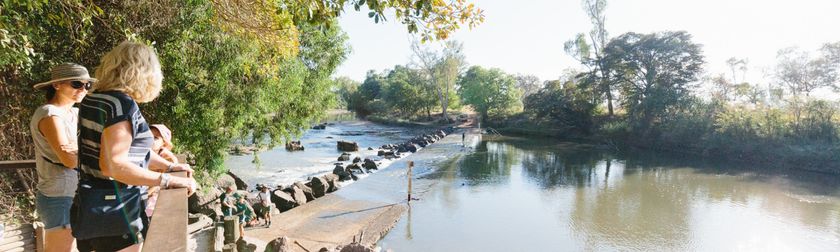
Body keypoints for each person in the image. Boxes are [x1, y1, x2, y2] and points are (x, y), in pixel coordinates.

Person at [74, 41, 196, 252]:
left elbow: (133, 151)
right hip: (118, 211)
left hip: (92, 205)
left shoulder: (93, 99)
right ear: (144, 73)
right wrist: (167, 180)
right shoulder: (122, 105)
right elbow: (114, 165)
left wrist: (168, 166)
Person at [30, 63, 94, 252]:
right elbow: (69, 159)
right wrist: (89, 151)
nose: (83, 89)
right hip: (59, 194)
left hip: (78, 192)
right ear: (57, 85)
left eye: (87, 85)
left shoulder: (75, 113)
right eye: (76, 84)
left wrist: (80, 150)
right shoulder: (49, 113)